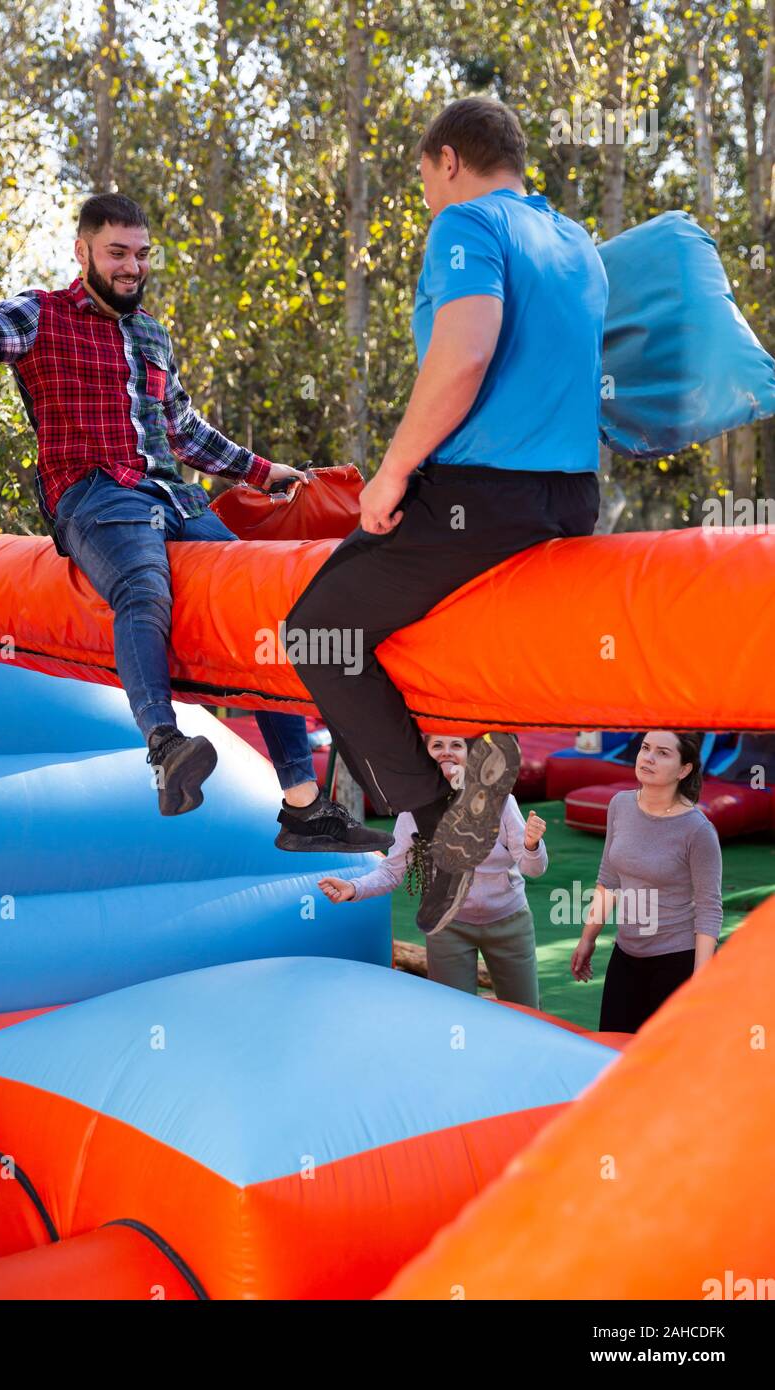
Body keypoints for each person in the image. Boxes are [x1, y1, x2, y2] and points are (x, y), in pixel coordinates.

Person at [0, 192, 391, 856]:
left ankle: (304, 808)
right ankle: (164, 746)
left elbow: (184, 430)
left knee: (257, 605)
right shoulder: (41, 315)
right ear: (83, 252)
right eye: (116, 254)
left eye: (140, 255)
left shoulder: (153, 334)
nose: (131, 267)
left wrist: (262, 471)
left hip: (177, 501)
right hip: (93, 496)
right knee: (143, 586)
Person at [285, 96, 608, 933]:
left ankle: (433, 823)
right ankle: (450, 781)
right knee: (438, 624)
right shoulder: (577, 244)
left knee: (317, 630)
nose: (426, 194)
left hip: (484, 494)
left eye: (423, 177)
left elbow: (464, 355)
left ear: (448, 161)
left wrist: (390, 475)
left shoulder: (467, 224)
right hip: (571, 497)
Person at [319, 734, 548, 1005]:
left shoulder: (501, 802)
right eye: (437, 746)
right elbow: (392, 872)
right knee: (453, 1015)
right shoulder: (413, 812)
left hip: (508, 921)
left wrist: (532, 844)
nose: (446, 753)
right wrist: (355, 887)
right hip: (447, 925)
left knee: (524, 1012)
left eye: (456, 746)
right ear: (426, 756)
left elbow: (533, 869)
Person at [570, 731, 723, 1032]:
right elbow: (609, 878)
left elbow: (709, 909)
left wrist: (699, 982)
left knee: (663, 1066)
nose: (648, 758)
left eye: (663, 753)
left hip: (676, 959)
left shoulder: (698, 831)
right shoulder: (620, 805)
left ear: (684, 769)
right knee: (613, 1050)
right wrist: (588, 939)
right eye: (645, 748)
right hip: (625, 954)